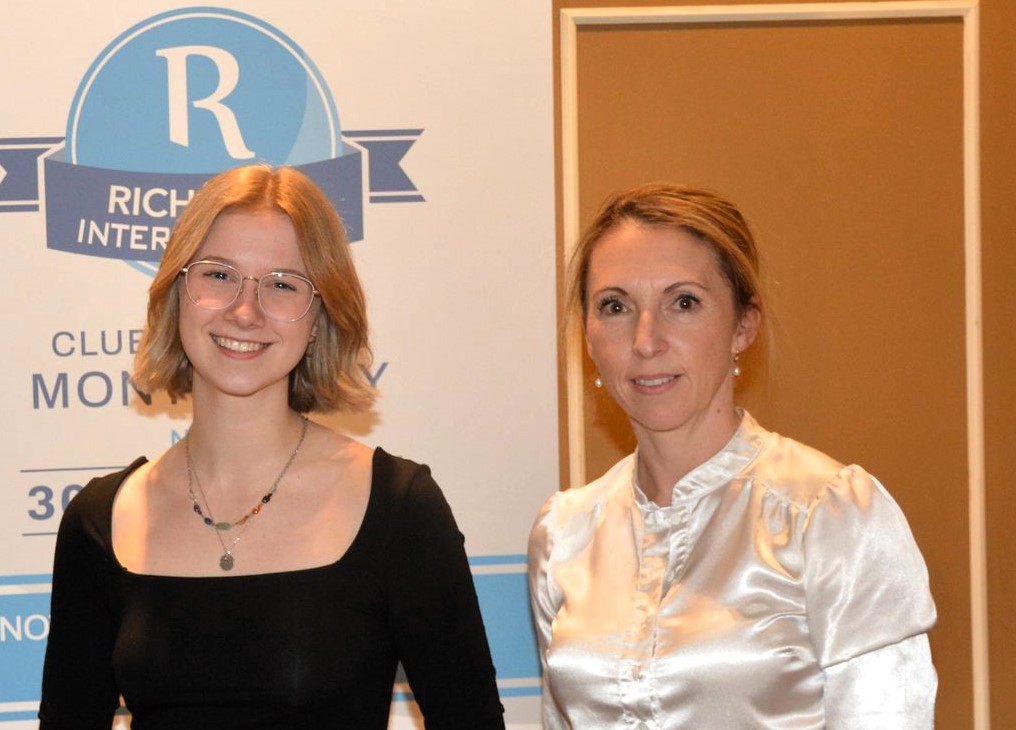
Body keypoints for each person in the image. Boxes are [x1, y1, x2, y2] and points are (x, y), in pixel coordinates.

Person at [39, 164, 505, 729]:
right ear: (176, 293)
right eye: (218, 276)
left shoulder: (401, 509)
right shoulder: (99, 520)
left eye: (283, 284)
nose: (244, 310)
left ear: (319, 317)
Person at [528, 183, 937, 729]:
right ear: (588, 334)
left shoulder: (830, 515)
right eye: (615, 306)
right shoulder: (564, 533)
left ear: (744, 325)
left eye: (684, 302)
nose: (646, 340)